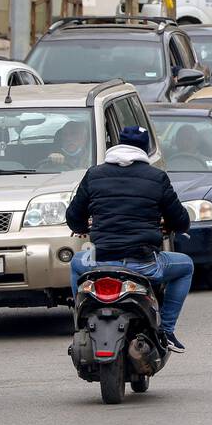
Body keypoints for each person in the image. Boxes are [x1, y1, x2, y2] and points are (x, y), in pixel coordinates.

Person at [66, 125, 194, 352]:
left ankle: (81, 324)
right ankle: (166, 330)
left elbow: (74, 217)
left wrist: (82, 227)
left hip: (100, 262)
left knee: (77, 262)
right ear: (144, 150)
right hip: (143, 264)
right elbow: (180, 219)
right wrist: (174, 225)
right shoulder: (156, 177)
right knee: (185, 266)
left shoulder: (94, 174)